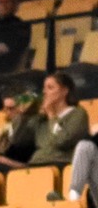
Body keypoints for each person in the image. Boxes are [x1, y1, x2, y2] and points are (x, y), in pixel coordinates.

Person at [22, 71, 97, 200]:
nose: (45, 92)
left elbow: (61, 141)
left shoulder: (77, 114)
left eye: (50, 88)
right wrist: (23, 114)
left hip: (60, 162)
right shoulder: (41, 118)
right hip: (35, 164)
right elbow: (17, 140)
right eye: (44, 88)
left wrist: (52, 116)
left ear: (64, 91)